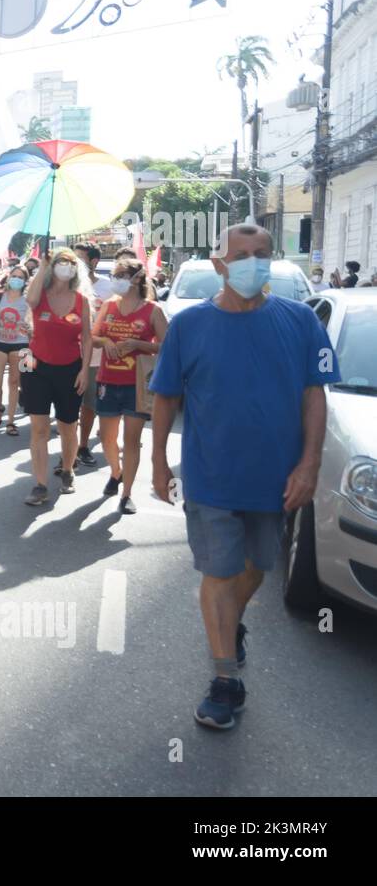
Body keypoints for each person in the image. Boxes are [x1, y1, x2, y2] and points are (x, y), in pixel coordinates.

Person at [150, 224, 339, 730]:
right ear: (219, 264)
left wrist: (310, 463)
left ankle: (230, 626)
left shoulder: (300, 321)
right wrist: (157, 462)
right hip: (211, 476)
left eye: (261, 255)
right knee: (218, 571)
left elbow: (313, 394)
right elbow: (166, 394)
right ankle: (224, 679)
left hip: (276, 478)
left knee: (256, 566)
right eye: (241, 255)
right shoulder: (190, 327)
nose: (252, 263)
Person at [92, 257, 167, 514]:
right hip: (108, 380)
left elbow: (167, 346)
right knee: (106, 437)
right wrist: (106, 342)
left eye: (121, 275)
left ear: (136, 279)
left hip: (137, 385)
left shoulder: (153, 310)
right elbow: (92, 336)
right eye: (115, 275)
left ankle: (126, 495)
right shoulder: (109, 305)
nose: (116, 280)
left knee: (131, 440)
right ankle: (116, 472)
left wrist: (139, 344)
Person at [21, 247, 92, 505]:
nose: (67, 266)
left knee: (67, 427)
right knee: (38, 429)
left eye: (72, 263)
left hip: (71, 369)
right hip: (35, 367)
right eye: (62, 262)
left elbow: (87, 337)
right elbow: (28, 300)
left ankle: (68, 470)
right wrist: (43, 265)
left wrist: (84, 371)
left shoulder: (82, 300)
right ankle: (40, 485)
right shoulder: (40, 296)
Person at [74, 243, 112, 470]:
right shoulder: (66, 287)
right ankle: (68, 452)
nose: (74, 263)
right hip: (68, 355)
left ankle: (83, 445)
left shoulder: (108, 288)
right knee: (67, 406)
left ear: (94, 261)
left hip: (96, 358)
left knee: (89, 405)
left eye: (79, 259)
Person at [0, 265, 31, 437]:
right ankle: (0, 405)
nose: (17, 279)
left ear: (25, 281)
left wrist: (29, 327)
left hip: (21, 345)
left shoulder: (28, 300)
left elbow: (34, 323)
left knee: (14, 383)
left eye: (20, 277)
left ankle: (11, 421)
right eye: (14, 276)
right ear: (9, 277)